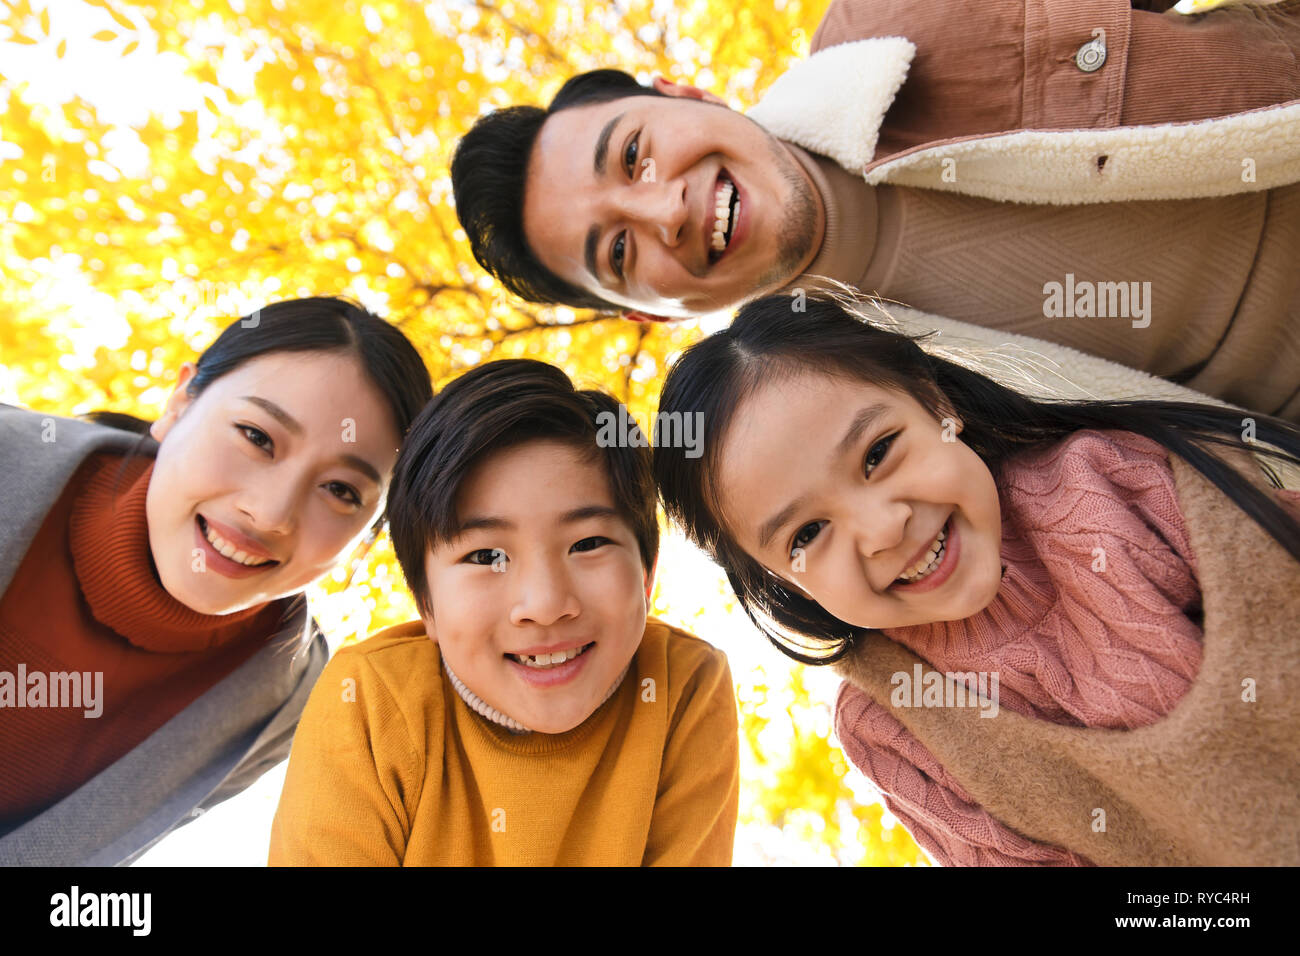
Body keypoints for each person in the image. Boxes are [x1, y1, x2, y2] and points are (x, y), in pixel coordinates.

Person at [652, 290, 1300, 865]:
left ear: (934, 402)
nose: (882, 530)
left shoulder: (1110, 486)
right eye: (807, 534)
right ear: (783, 581)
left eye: (878, 453)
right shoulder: (895, 726)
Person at [451, 0, 1300, 422]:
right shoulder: (861, 413)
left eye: (634, 154)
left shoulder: (895, 19)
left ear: (683, 90)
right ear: (651, 311)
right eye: (619, 253)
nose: (662, 213)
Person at [0, 297, 433, 866]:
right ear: (179, 404)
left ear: (370, 534)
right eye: (257, 436)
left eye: (342, 491)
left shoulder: (285, 705)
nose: (271, 512)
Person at [268, 359, 739, 865]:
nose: (544, 605)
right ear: (425, 602)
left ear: (646, 575)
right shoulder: (371, 699)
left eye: (587, 543)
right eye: (486, 556)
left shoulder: (683, 686)